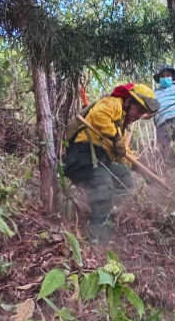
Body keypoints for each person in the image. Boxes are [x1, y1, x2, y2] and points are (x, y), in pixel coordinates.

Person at [64, 83, 159, 242]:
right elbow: (99, 116)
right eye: (139, 110)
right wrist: (115, 138)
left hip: (100, 161)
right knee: (104, 182)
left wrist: (142, 169)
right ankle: (96, 233)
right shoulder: (113, 103)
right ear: (129, 101)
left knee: (126, 179)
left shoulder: (121, 125)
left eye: (143, 113)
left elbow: (123, 154)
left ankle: (99, 207)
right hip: (83, 156)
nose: (139, 115)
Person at [152, 65, 175, 165]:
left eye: (168, 75)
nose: (165, 78)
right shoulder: (154, 93)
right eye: (162, 76)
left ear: (173, 77)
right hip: (161, 124)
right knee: (167, 151)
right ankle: (172, 176)